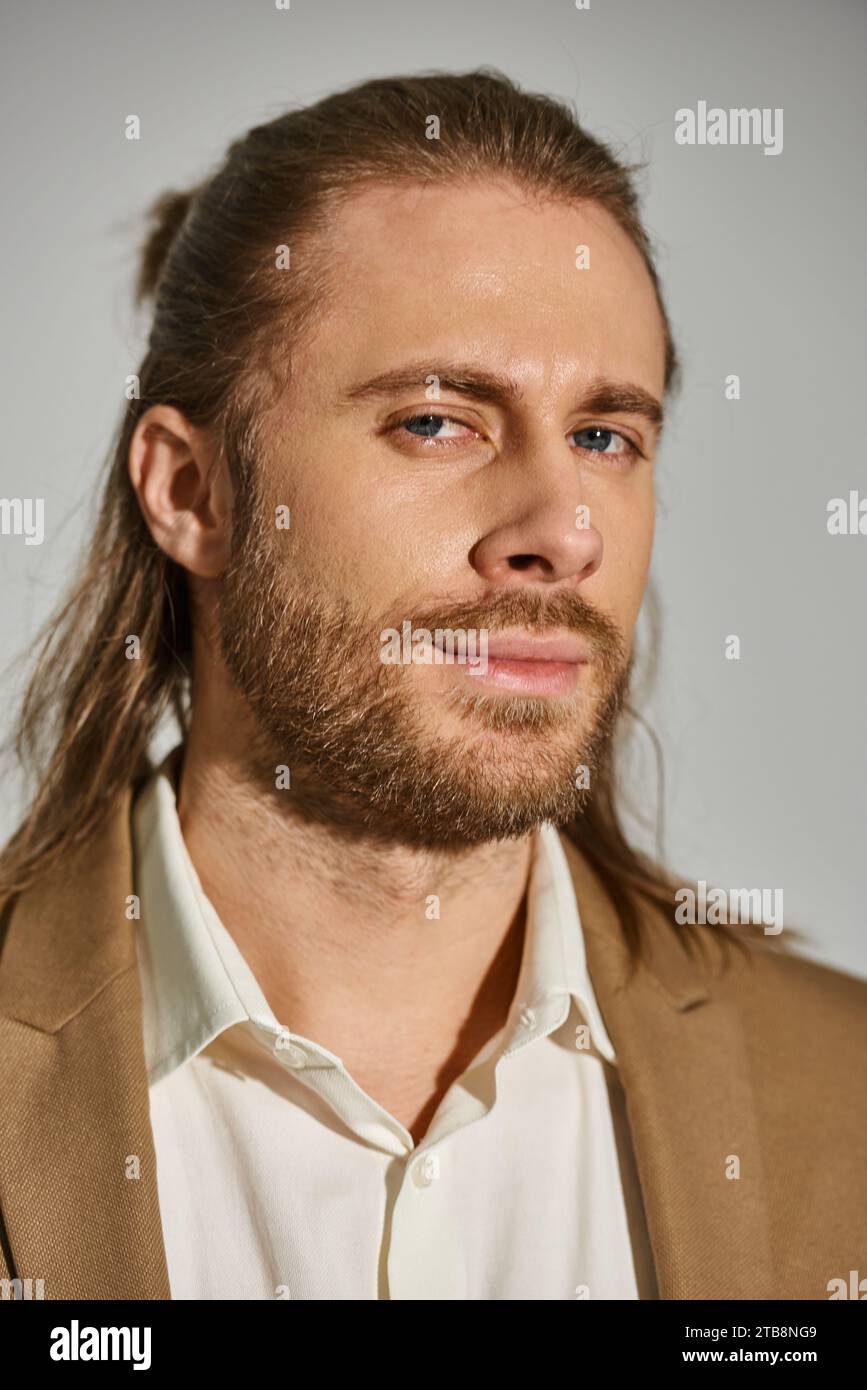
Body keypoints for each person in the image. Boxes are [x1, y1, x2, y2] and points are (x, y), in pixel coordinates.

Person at [0, 69, 864, 1302]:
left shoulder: (848, 1097)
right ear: (192, 492)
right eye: (437, 421)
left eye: (605, 436)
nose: (564, 529)